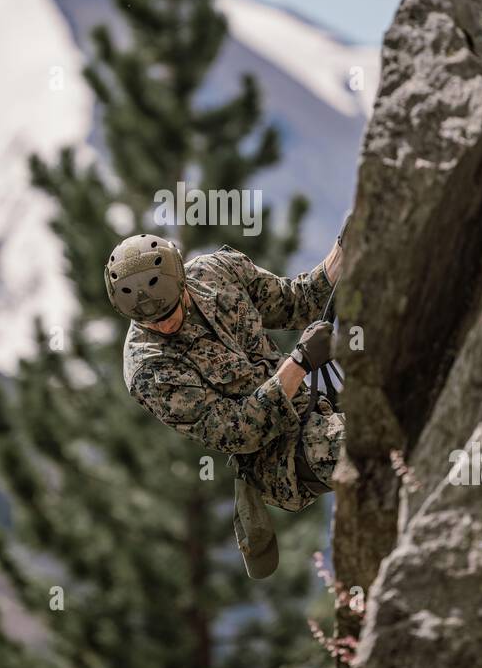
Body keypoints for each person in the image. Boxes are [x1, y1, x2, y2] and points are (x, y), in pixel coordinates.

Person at [104, 218, 350, 577]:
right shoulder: (150, 370)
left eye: (169, 311)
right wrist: (298, 364)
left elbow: (298, 302)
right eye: (151, 323)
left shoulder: (217, 272)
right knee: (364, 444)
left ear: (182, 280)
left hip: (318, 392)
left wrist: (344, 246)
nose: (164, 326)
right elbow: (239, 432)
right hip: (279, 452)